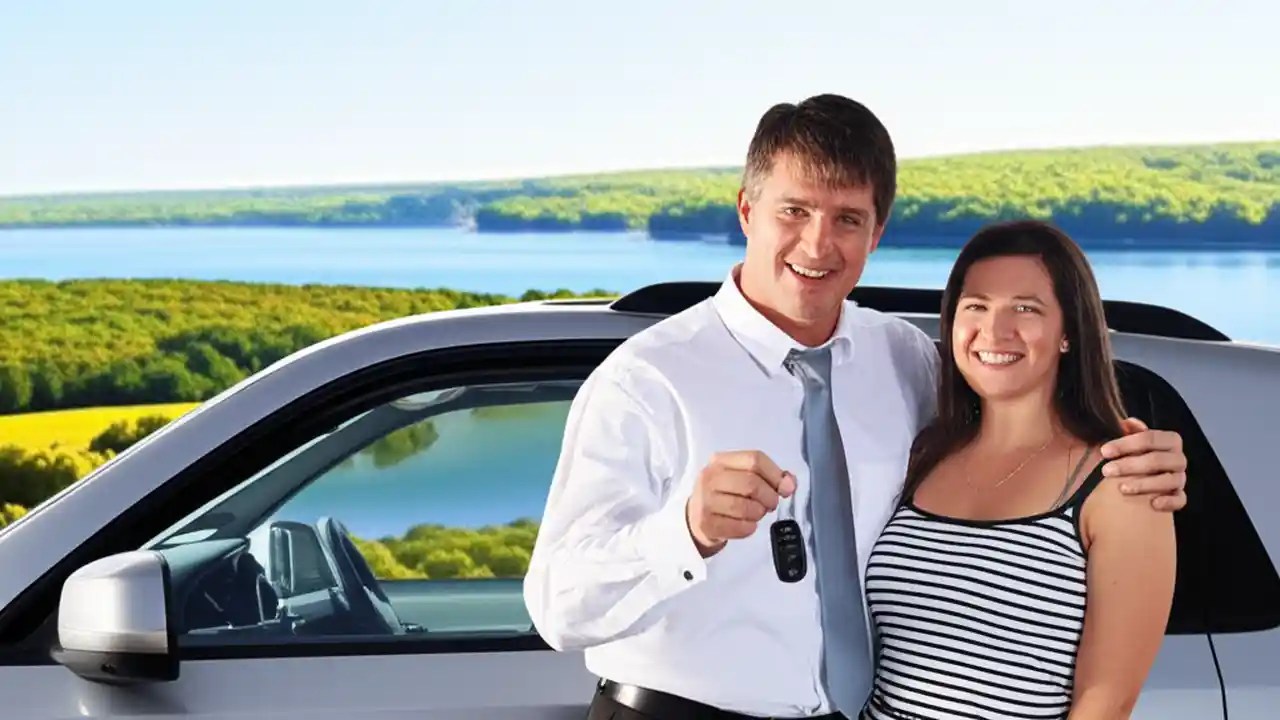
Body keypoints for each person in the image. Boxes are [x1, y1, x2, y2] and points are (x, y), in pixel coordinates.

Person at [523, 93, 1188, 720]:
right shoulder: (647, 381)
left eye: (847, 219)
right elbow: (557, 607)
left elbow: (1019, 422)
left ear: (876, 233)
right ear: (747, 211)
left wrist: (1138, 448)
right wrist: (687, 530)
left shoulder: (905, 359)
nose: (817, 244)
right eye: (794, 211)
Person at [859, 220, 1177, 720]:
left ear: (1069, 332)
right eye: (977, 306)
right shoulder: (921, 455)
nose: (995, 331)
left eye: (1025, 309)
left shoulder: (1119, 481)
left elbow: (1107, 703)